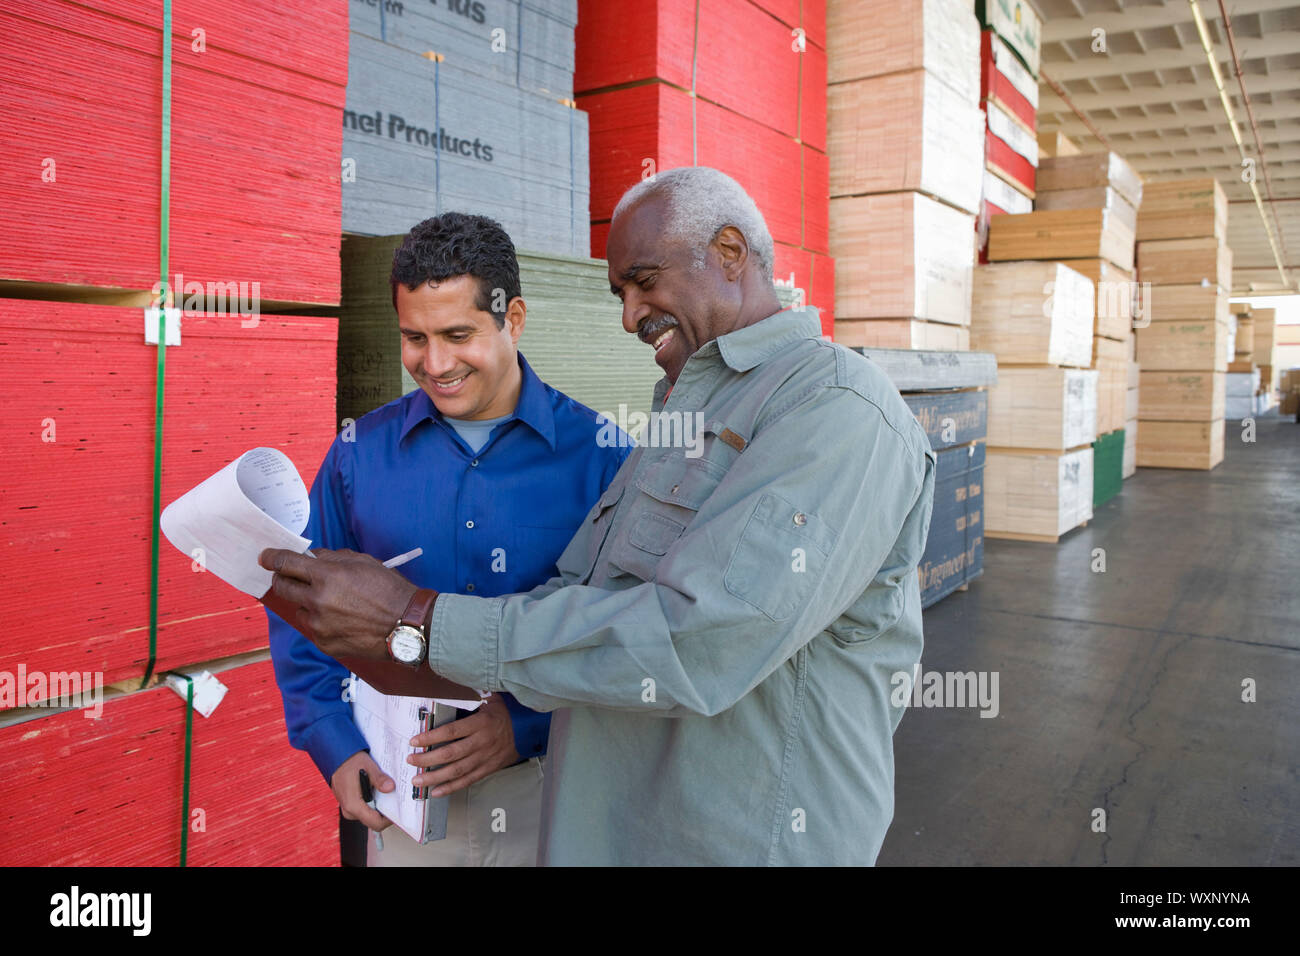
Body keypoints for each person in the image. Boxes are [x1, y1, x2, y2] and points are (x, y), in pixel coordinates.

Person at [263, 166, 936, 866]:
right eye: (620, 292)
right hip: (602, 826)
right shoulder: (686, 414)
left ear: (731, 253)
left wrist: (425, 626)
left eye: (644, 281)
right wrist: (368, 688)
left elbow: (699, 640)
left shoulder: (835, 410)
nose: (627, 315)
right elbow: (585, 599)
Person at [266, 211, 630, 866]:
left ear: (512, 319)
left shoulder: (602, 458)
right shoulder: (359, 455)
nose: (434, 364)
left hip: (553, 795)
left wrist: (528, 727)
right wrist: (332, 739)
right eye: (414, 338)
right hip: (403, 794)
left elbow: (629, 630)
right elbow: (299, 601)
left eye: (458, 334)